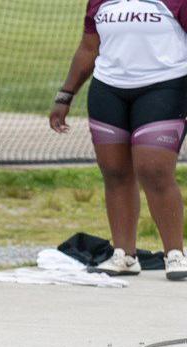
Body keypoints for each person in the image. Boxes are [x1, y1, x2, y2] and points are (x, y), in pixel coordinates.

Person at [50, 0, 187, 281]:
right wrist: (66, 94)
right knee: (114, 171)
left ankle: (175, 254)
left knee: (155, 170)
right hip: (108, 89)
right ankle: (124, 255)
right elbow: (89, 47)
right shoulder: (99, 2)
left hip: (165, 86)